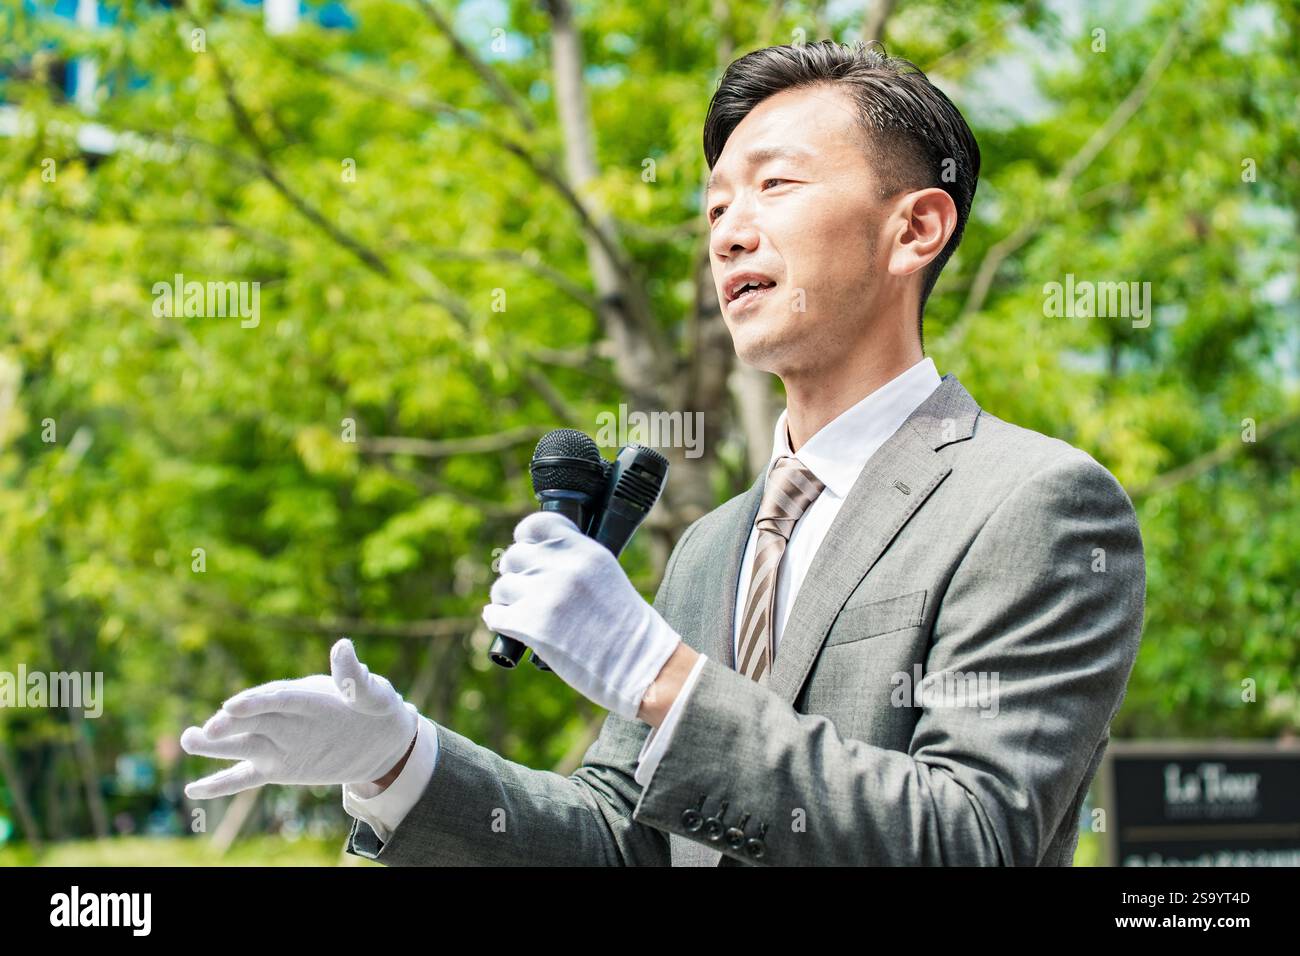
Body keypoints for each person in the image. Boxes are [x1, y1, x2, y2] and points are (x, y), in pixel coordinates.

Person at [180, 40, 1145, 866]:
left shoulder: (1034, 503)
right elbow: (618, 837)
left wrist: (663, 673)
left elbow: (973, 837)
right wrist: (400, 762)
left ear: (916, 230)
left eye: (775, 184)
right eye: (716, 205)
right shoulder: (716, 545)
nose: (728, 232)